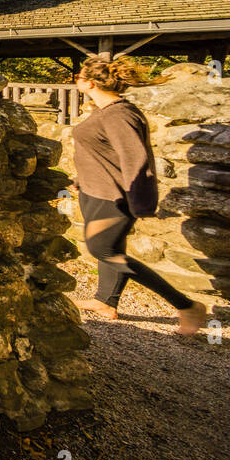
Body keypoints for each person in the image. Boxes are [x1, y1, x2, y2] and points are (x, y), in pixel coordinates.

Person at [70, 56, 208, 334]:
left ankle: (186, 306)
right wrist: (80, 179)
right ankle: (105, 301)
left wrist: (141, 203)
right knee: (113, 249)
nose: (76, 80)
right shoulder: (104, 111)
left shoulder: (119, 115)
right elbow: (103, 153)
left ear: (90, 82)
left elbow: (135, 159)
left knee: (103, 250)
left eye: (78, 76)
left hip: (115, 196)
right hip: (95, 190)